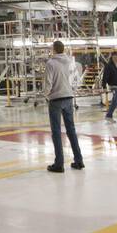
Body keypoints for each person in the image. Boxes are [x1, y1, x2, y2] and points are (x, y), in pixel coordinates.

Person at [45, 41, 84, 173]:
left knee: (56, 132)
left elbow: (48, 83)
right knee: (71, 130)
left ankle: (59, 163)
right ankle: (79, 160)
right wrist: (70, 90)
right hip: (68, 99)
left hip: (55, 100)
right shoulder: (70, 62)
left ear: (54, 50)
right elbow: (75, 81)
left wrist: (46, 95)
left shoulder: (51, 63)